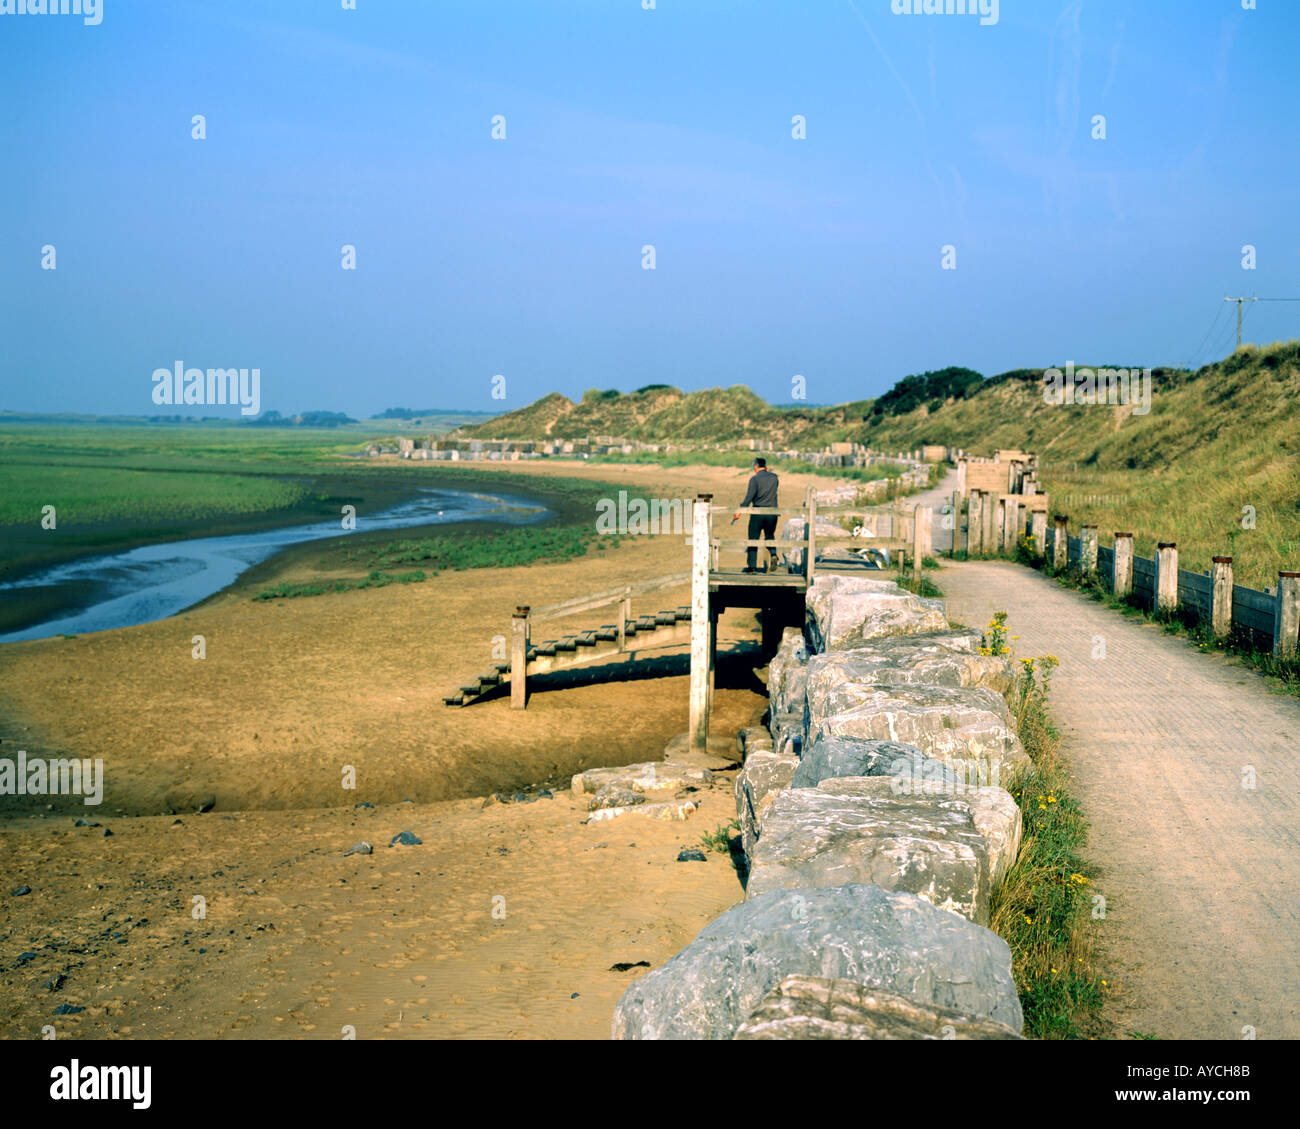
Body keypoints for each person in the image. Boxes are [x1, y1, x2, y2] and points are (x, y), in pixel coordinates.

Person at [734, 458, 780, 573]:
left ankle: (752, 567)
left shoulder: (754, 479)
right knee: (770, 535)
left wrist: (739, 510)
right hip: (772, 513)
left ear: (755, 467)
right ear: (766, 467)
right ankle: (773, 553)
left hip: (758, 513)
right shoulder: (774, 477)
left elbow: (749, 497)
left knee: (753, 538)